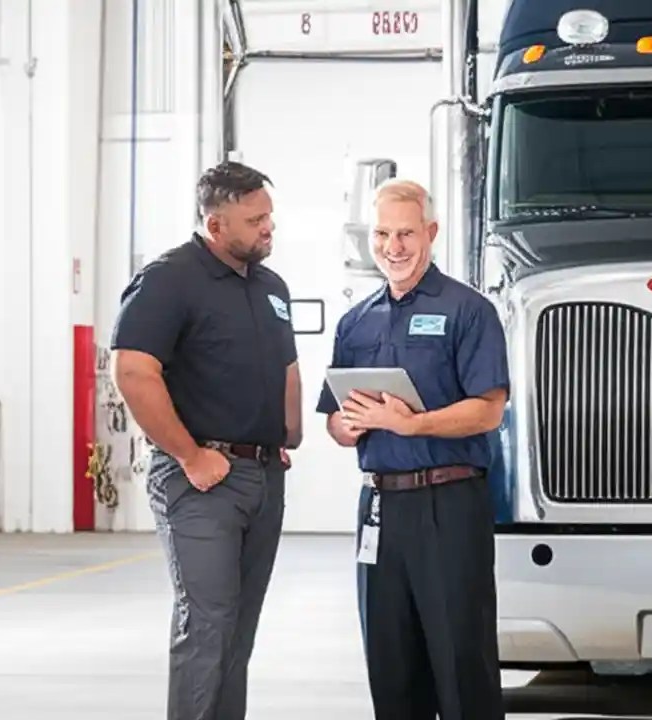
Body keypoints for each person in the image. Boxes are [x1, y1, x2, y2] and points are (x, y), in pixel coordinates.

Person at [109, 160, 302, 720]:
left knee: (238, 632)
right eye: (254, 219)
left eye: (269, 215)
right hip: (202, 480)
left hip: (263, 475)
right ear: (216, 225)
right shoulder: (170, 277)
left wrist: (283, 434)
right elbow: (133, 371)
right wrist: (190, 456)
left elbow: (286, 366)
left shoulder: (271, 285)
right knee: (208, 624)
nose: (268, 228)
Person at [316, 178, 508, 719]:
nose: (392, 247)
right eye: (381, 233)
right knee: (390, 657)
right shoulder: (357, 320)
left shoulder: (468, 310)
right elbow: (333, 418)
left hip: (447, 505)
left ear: (431, 232)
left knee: (459, 658)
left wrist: (411, 424)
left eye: (405, 233)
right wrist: (349, 427)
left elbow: (487, 410)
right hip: (379, 508)